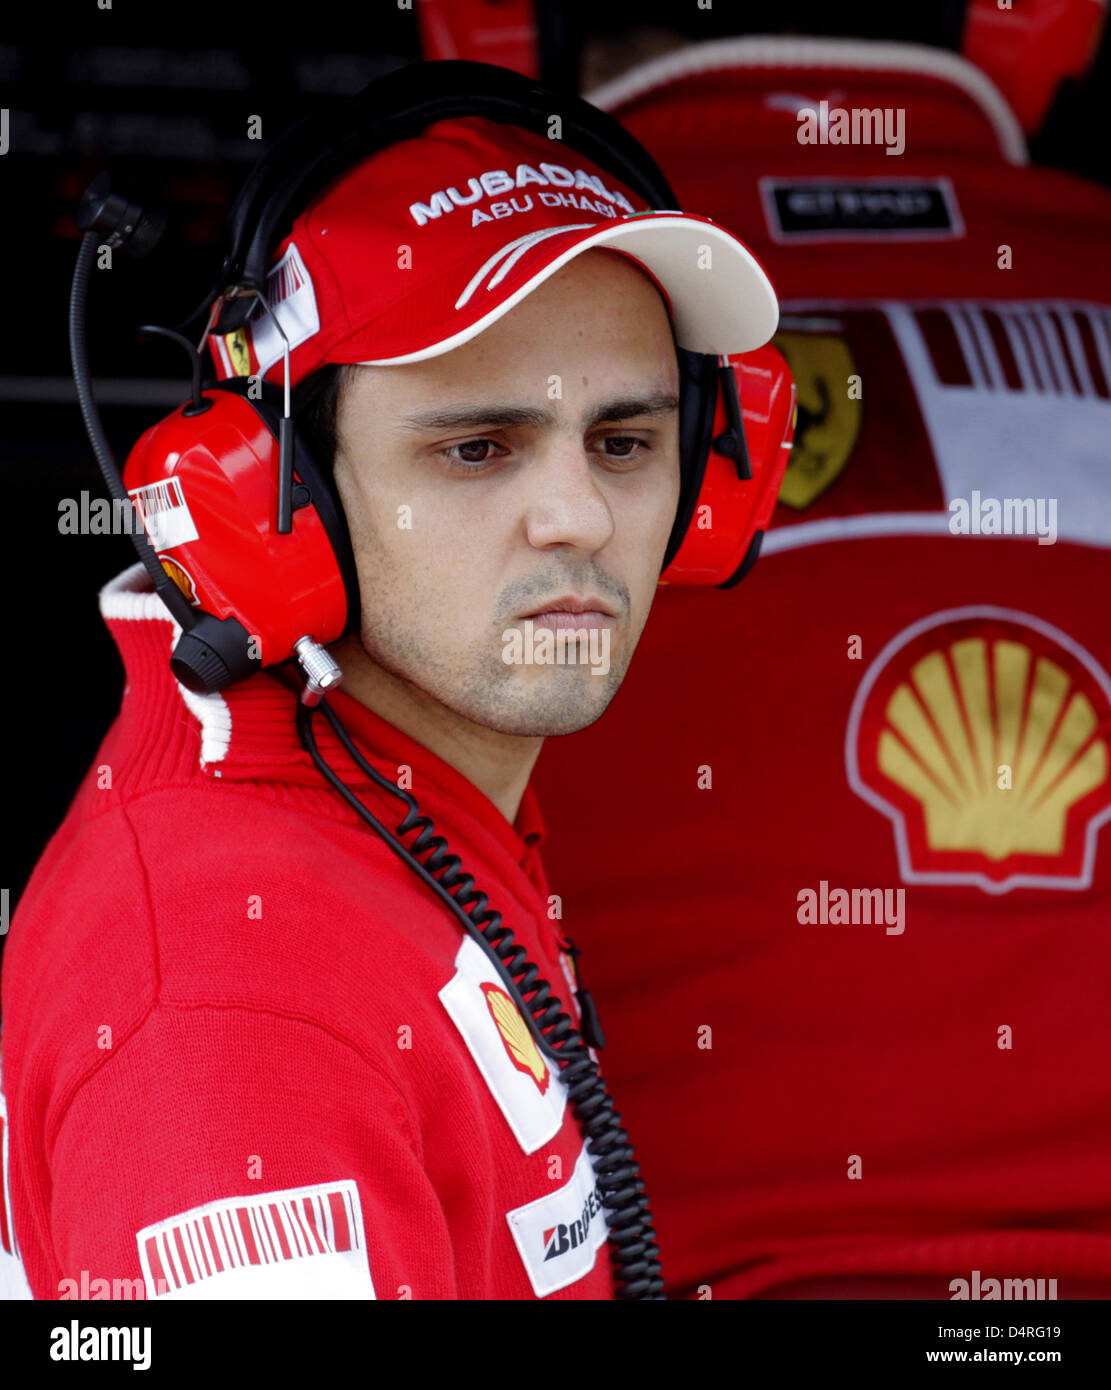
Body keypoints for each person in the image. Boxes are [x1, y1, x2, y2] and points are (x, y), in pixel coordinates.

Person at [0, 71, 780, 1300]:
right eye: (477, 447)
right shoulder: (240, 1005)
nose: (578, 515)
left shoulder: (385, 811)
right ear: (271, 494)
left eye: (625, 442)